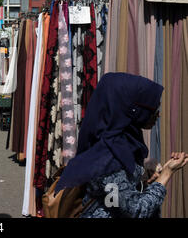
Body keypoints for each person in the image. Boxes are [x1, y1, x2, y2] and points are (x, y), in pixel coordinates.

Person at [55, 72, 188, 218]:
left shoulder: (118, 141)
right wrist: (166, 174)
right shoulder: (107, 158)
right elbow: (137, 210)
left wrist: (143, 179)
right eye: (153, 109)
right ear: (131, 110)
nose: (158, 114)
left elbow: (114, 197)